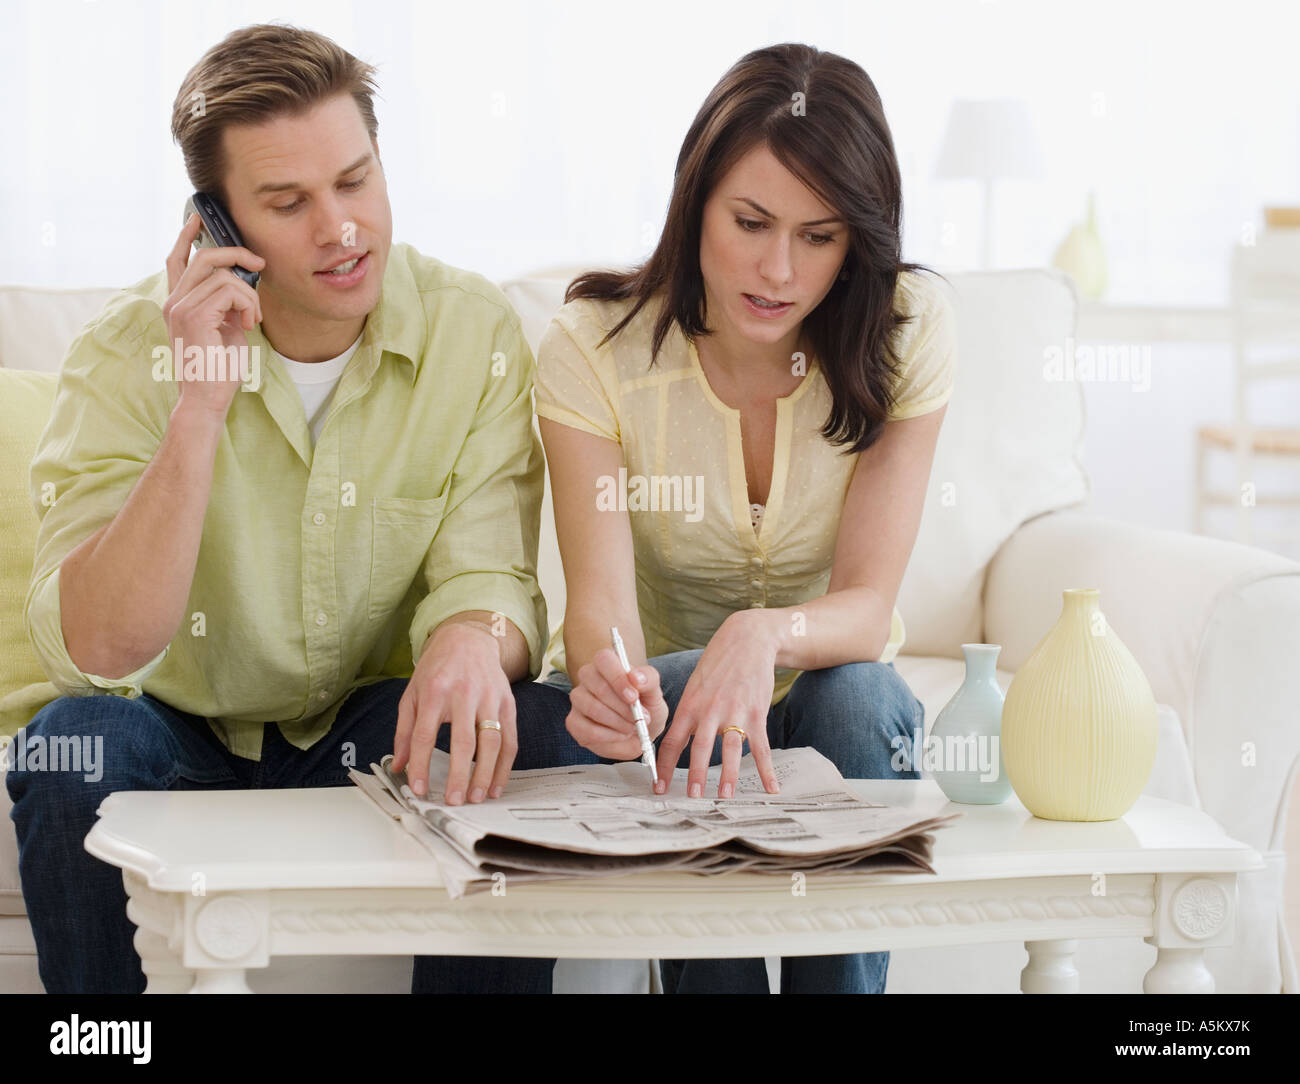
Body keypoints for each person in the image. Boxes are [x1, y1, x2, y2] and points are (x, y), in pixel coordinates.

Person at [5, 23, 594, 995]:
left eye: (356, 181)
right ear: (215, 226)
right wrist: (200, 403)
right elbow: (101, 646)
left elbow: (493, 575)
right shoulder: (120, 356)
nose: (341, 229)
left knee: (541, 726)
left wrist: (473, 637)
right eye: (288, 203)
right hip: (174, 724)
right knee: (68, 748)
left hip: (367, 731)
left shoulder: (469, 328)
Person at [534, 43, 955, 994]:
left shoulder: (908, 327)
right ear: (696, 203)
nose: (778, 269)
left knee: (861, 694)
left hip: (822, 686)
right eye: (751, 222)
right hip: (679, 709)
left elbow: (867, 601)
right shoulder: (593, 349)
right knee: (679, 708)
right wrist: (615, 683)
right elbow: (600, 610)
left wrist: (762, 634)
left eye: (820, 235)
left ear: (860, 240)